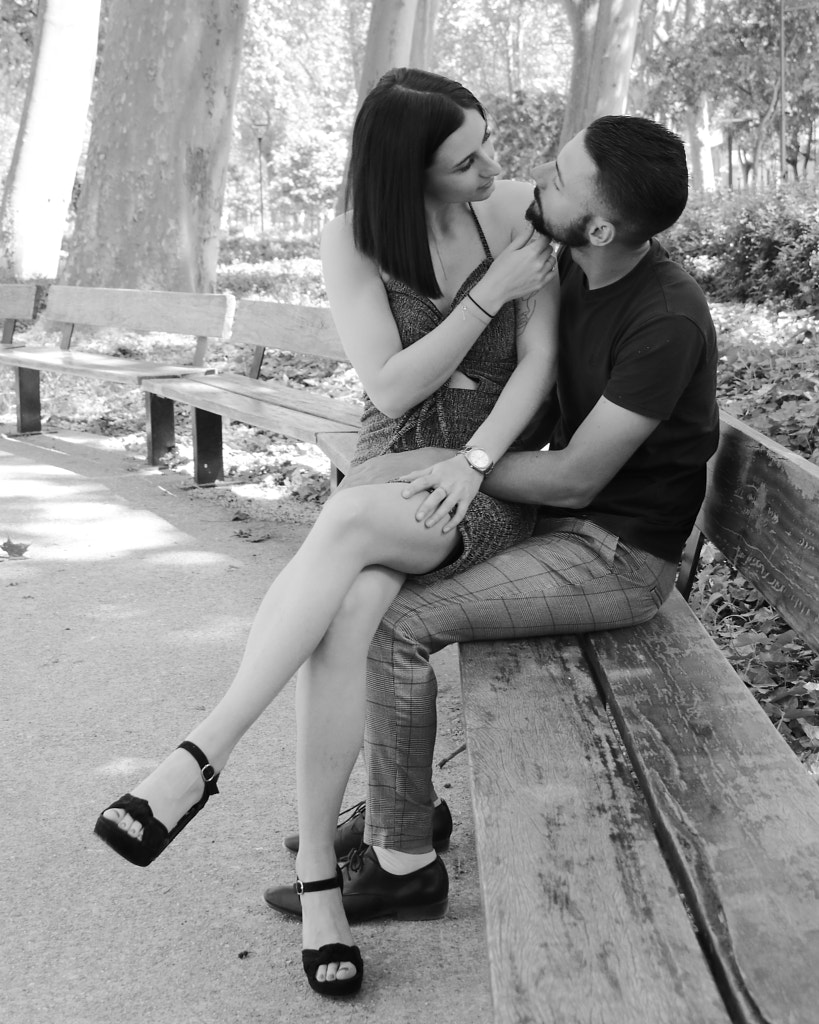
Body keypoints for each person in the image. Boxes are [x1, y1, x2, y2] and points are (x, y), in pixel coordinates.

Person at [93, 67, 558, 998]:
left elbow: (537, 366)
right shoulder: (353, 234)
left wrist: (471, 460)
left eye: (486, 144)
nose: (490, 166)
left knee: (344, 526)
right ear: (407, 169)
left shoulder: (512, 212)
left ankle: (200, 758)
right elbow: (388, 392)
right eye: (464, 158)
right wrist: (483, 299)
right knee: (347, 617)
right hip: (392, 459)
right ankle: (320, 890)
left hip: (483, 478)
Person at [263, 113, 720, 923]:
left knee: (395, 624)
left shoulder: (666, 316)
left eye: (557, 177)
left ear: (602, 223)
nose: (533, 178)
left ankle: (405, 862)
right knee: (362, 588)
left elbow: (579, 480)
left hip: (614, 554)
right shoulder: (571, 264)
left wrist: (457, 465)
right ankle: (401, 810)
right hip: (546, 518)